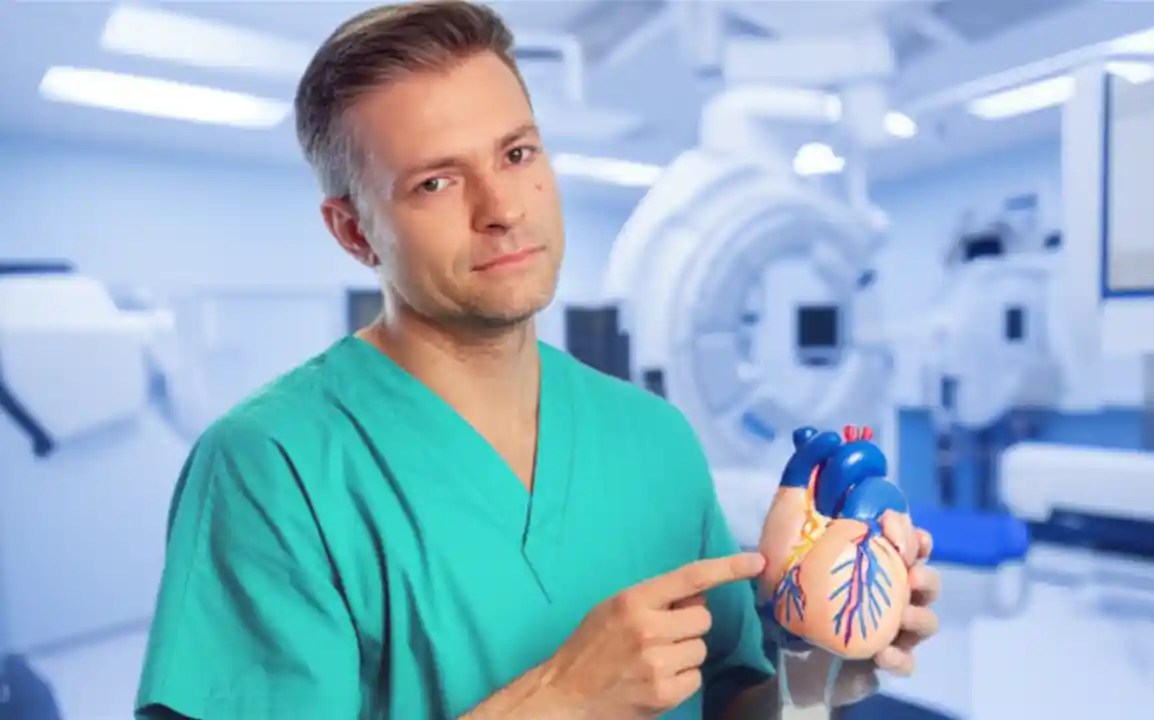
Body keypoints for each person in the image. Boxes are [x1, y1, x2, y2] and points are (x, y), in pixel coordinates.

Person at [133, 2, 941, 718]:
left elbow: (729, 701)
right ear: (353, 232)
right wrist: (559, 703)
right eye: (437, 183)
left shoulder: (655, 438)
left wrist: (816, 672)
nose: (502, 209)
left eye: (517, 155)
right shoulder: (272, 467)